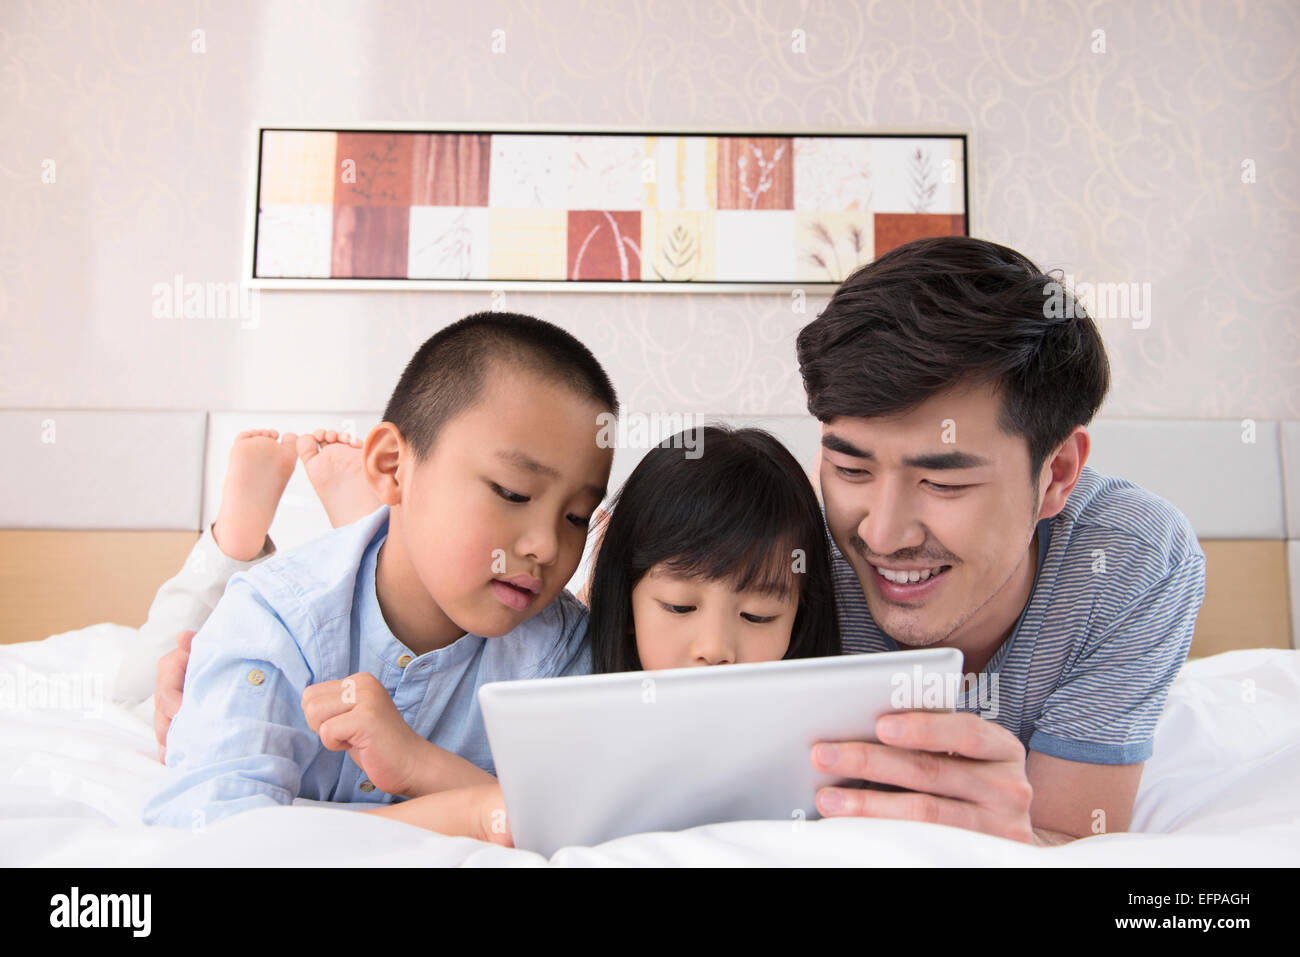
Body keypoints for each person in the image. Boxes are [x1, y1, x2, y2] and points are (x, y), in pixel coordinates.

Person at [141, 311, 617, 835]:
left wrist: (420, 767)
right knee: (144, 679)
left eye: (576, 518)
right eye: (512, 493)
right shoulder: (275, 619)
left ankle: (365, 519)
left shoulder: (562, 649)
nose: (548, 547)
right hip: (265, 610)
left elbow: (587, 817)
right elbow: (209, 832)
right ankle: (237, 538)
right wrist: (479, 812)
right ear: (392, 466)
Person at [797, 236, 1206, 844]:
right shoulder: (782, 541)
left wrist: (1020, 843)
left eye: (942, 481)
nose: (881, 533)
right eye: (852, 470)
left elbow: (1068, 836)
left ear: (1056, 474)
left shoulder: (1131, 560)